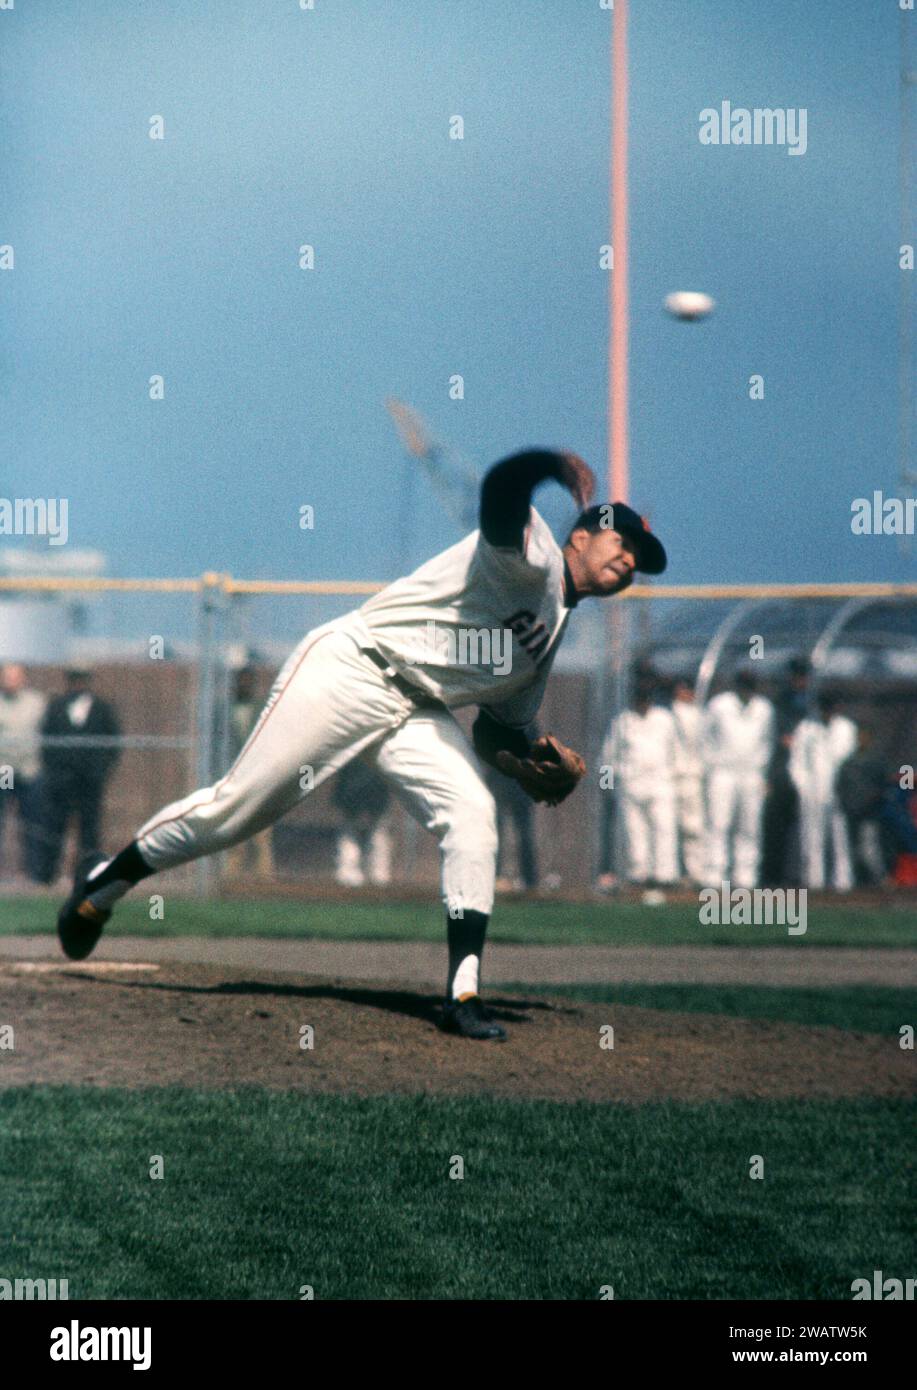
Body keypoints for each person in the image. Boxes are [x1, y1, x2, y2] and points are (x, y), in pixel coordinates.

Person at [54, 447, 667, 1041]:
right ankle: (103, 885)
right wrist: (551, 465)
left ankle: (463, 994)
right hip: (353, 668)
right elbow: (501, 490)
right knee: (233, 813)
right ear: (579, 538)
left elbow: (494, 727)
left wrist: (529, 756)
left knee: (474, 816)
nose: (630, 561)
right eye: (623, 543)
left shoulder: (549, 638)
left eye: (640, 559)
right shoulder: (531, 549)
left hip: (417, 710)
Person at [38, 668, 121, 883]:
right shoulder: (56, 706)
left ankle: (88, 874)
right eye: (74, 679)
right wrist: (54, 770)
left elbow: (113, 741)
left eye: (82, 679)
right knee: (55, 825)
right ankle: (48, 876)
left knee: (90, 828)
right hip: (61, 780)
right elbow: (46, 740)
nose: (78, 684)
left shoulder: (102, 708)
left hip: (90, 780)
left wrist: (101, 769)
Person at [702, 670, 775, 888]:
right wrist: (712, 765)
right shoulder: (719, 705)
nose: (747, 690)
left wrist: (761, 771)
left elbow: (768, 742)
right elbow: (704, 737)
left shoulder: (764, 708)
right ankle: (715, 874)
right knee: (718, 822)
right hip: (723, 771)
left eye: (750, 686)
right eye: (744, 685)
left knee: (750, 825)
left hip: (751, 773)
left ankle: (746, 876)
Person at [602, 682, 678, 888]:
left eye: (646, 700)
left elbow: (675, 751)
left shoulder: (665, 719)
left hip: (661, 782)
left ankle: (664, 875)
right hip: (631, 784)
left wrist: (676, 778)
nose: (643, 705)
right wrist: (606, 787)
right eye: (639, 701)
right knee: (634, 831)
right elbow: (608, 757)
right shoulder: (622, 722)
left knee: (664, 827)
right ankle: (638, 873)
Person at [789, 693, 857, 891]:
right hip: (814, 790)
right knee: (812, 837)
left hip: (840, 791)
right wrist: (804, 788)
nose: (827, 712)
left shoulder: (847, 728)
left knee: (840, 837)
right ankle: (813, 880)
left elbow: (850, 761)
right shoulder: (806, 729)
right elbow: (797, 763)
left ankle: (843, 881)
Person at [761, 655, 809, 885]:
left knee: (801, 826)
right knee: (776, 824)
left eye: (803, 676)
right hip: (781, 772)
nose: (800, 680)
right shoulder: (779, 703)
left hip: (806, 772)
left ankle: (797, 875)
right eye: (796, 676)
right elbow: (776, 740)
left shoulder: (810, 704)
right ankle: (774, 875)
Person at [225, 666, 274, 878]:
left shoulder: (262, 708)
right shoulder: (226, 710)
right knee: (235, 831)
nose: (243, 685)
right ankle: (231, 879)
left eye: (247, 681)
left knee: (262, 833)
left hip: (258, 776)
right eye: (240, 681)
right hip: (233, 778)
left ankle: (264, 880)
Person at [0, 663, 47, 881]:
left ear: (23, 678)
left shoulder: (36, 703)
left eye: (14, 677)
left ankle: (34, 873)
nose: (10, 681)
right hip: (3, 770)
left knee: (32, 823)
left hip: (29, 771)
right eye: (6, 676)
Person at [836, 727, 890, 886]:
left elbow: (882, 785)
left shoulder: (876, 762)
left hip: (870, 812)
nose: (862, 740)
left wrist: (872, 799)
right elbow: (841, 786)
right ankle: (856, 881)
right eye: (860, 737)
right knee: (852, 849)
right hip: (852, 811)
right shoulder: (848, 762)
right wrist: (847, 803)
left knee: (869, 847)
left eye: (865, 737)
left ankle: (881, 879)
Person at [332, 758, 392, 887]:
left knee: (375, 834)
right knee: (357, 834)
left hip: (369, 795)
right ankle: (354, 874)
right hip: (357, 795)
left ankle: (375, 875)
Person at [670, 677, 705, 884]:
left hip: (693, 777)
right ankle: (672, 874)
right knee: (671, 827)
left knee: (693, 827)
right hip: (672, 777)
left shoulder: (699, 715)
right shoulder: (670, 714)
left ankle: (695, 872)